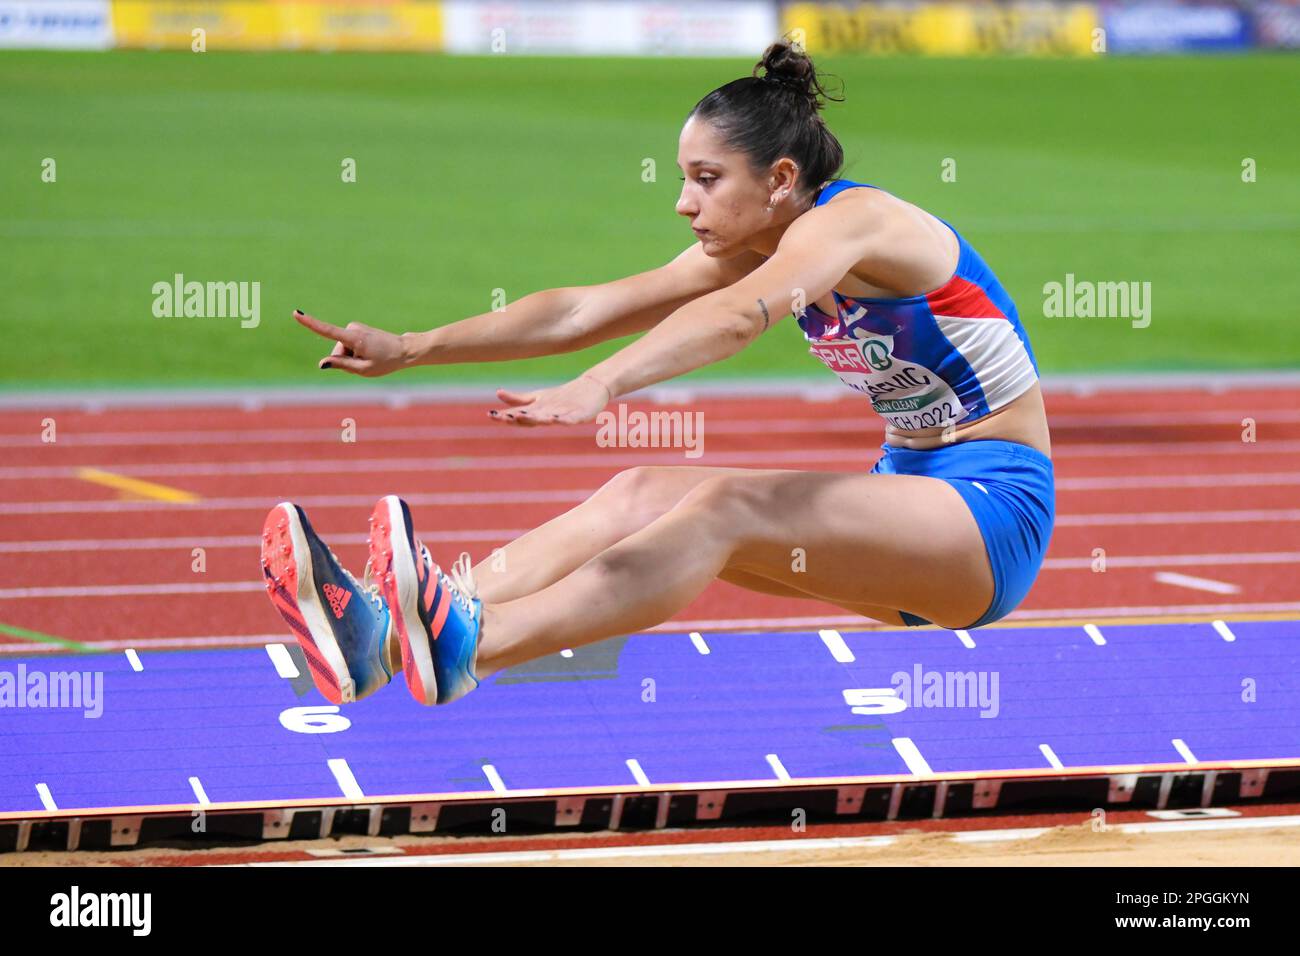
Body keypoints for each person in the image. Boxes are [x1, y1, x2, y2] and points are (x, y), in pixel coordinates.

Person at [261, 37, 1055, 708]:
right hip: (910, 523)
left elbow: (742, 316)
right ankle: (381, 643)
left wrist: (601, 386)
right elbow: (581, 311)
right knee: (640, 491)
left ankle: (479, 645)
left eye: (706, 179)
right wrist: (415, 345)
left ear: (780, 179)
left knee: (723, 505)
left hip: (990, 514)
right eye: (683, 177)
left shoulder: (859, 223)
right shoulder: (760, 243)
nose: (682, 202)